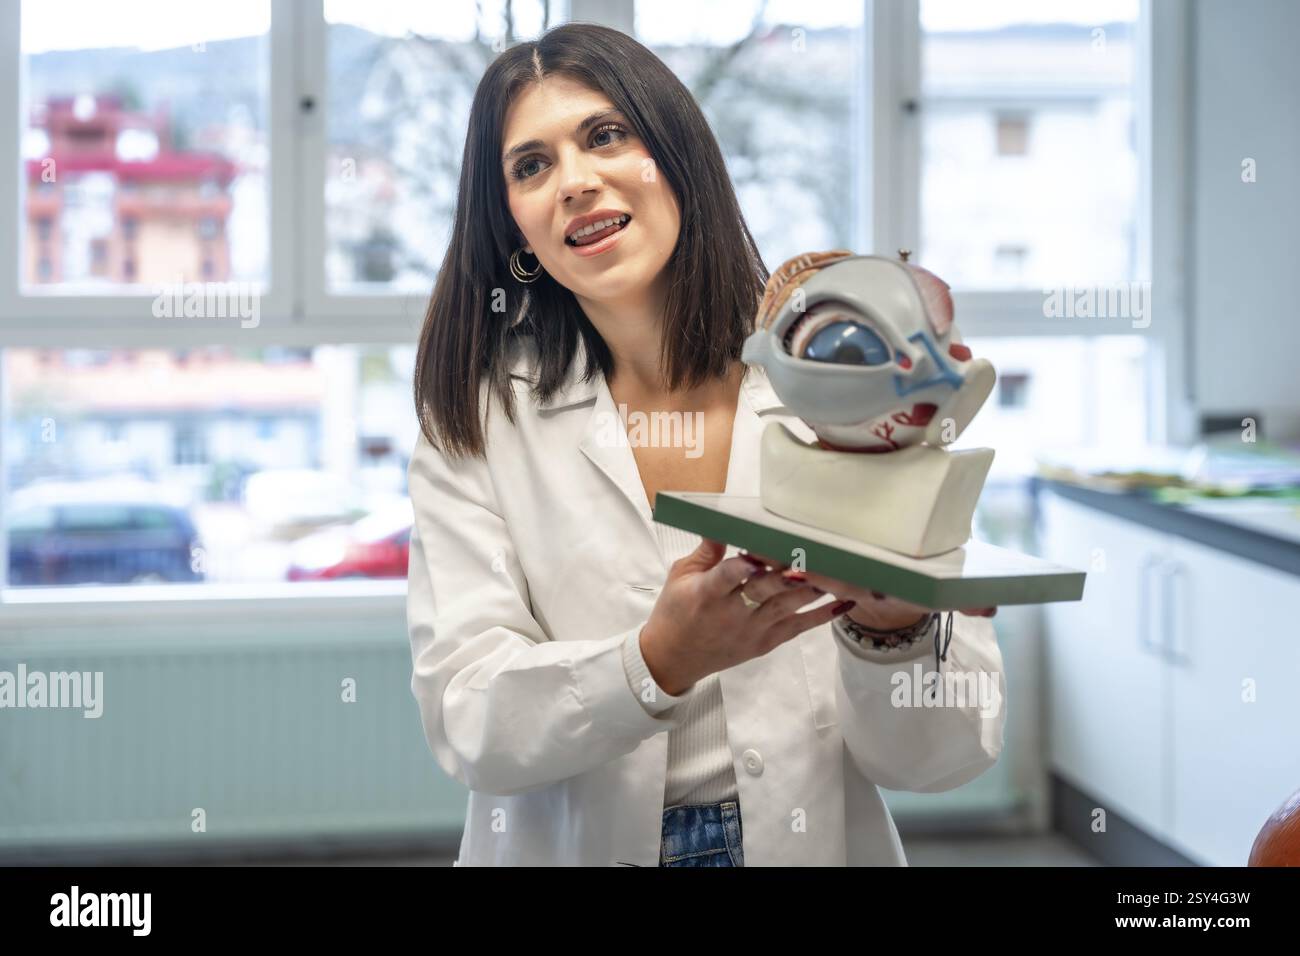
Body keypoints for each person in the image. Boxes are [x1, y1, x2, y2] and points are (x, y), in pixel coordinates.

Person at [406, 22, 1006, 867]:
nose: (575, 181)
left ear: (677, 154)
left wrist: (895, 627)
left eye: (606, 134)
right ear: (514, 228)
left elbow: (942, 758)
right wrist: (654, 662)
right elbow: (467, 718)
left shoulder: (845, 381)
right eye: (531, 165)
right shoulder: (475, 421)